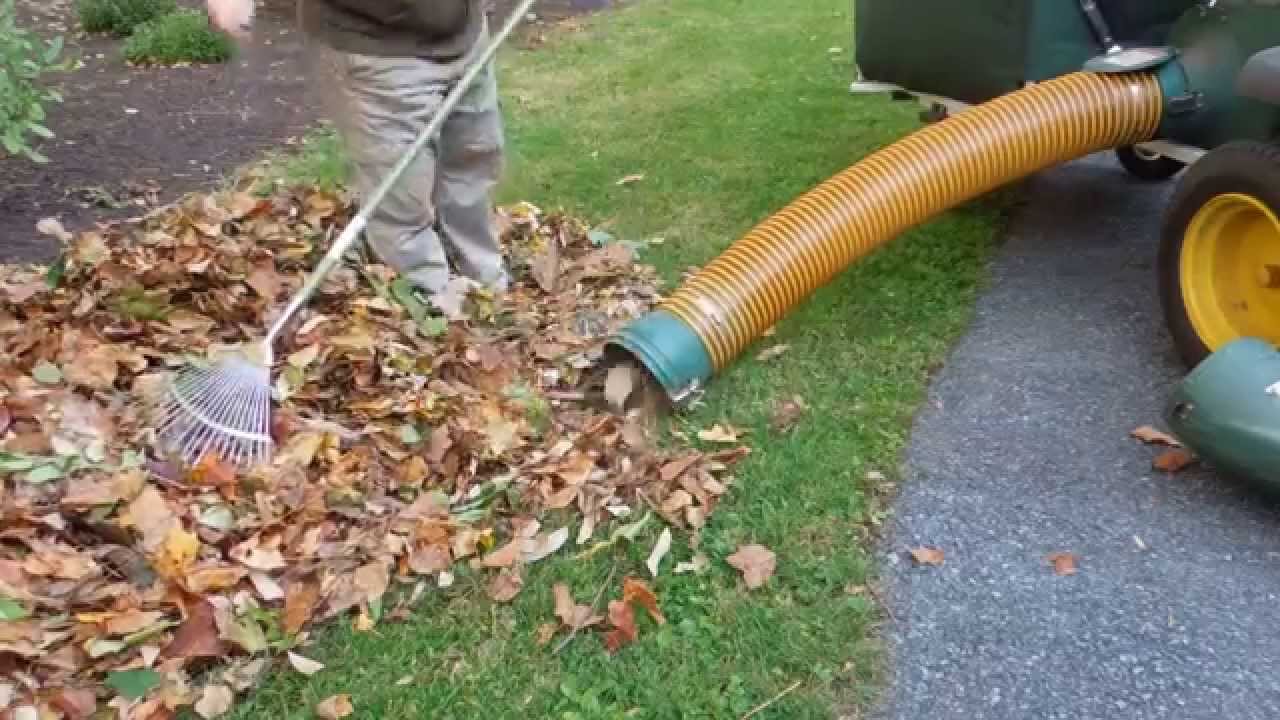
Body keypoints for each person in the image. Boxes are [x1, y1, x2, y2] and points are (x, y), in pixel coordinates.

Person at [206, 0, 511, 297]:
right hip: (376, 45)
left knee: (472, 157)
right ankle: (427, 300)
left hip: (464, 31)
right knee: (401, 194)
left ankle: (482, 278)